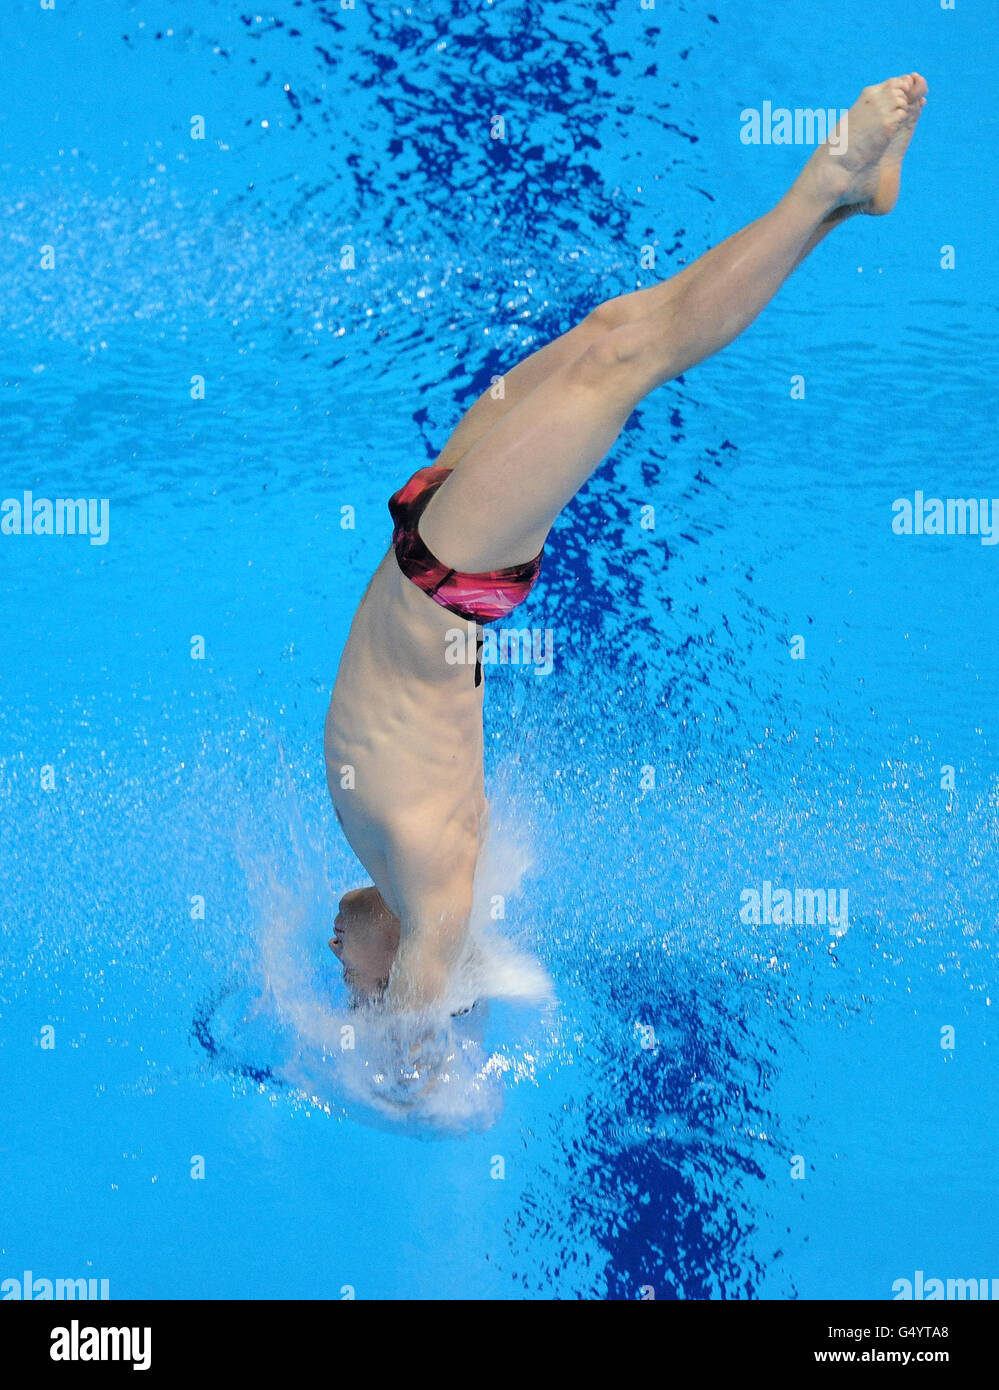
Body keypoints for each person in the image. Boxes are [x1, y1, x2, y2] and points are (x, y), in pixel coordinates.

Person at [326, 74, 928, 1015]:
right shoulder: (437, 904)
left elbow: (375, 941)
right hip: (451, 568)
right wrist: (395, 1055)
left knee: (614, 328)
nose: (333, 954)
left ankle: (847, 203)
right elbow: (418, 1052)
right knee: (624, 363)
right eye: (351, 979)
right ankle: (825, 182)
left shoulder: (387, 871)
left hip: (430, 530)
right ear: (402, 973)